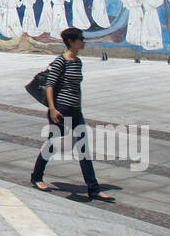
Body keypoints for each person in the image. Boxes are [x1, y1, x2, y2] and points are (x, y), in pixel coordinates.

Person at [30, 27, 115, 202]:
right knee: (53, 145)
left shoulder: (77, 61)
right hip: (60, 110)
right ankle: (36, 177)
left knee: (83, 149)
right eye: (81, 39)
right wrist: (53, 109)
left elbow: (76, 88)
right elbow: (50, 85)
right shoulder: (61, 61)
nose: (84, 41)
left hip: (76, 111)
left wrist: (79, 107)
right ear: (71, 41)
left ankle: (94, 189)